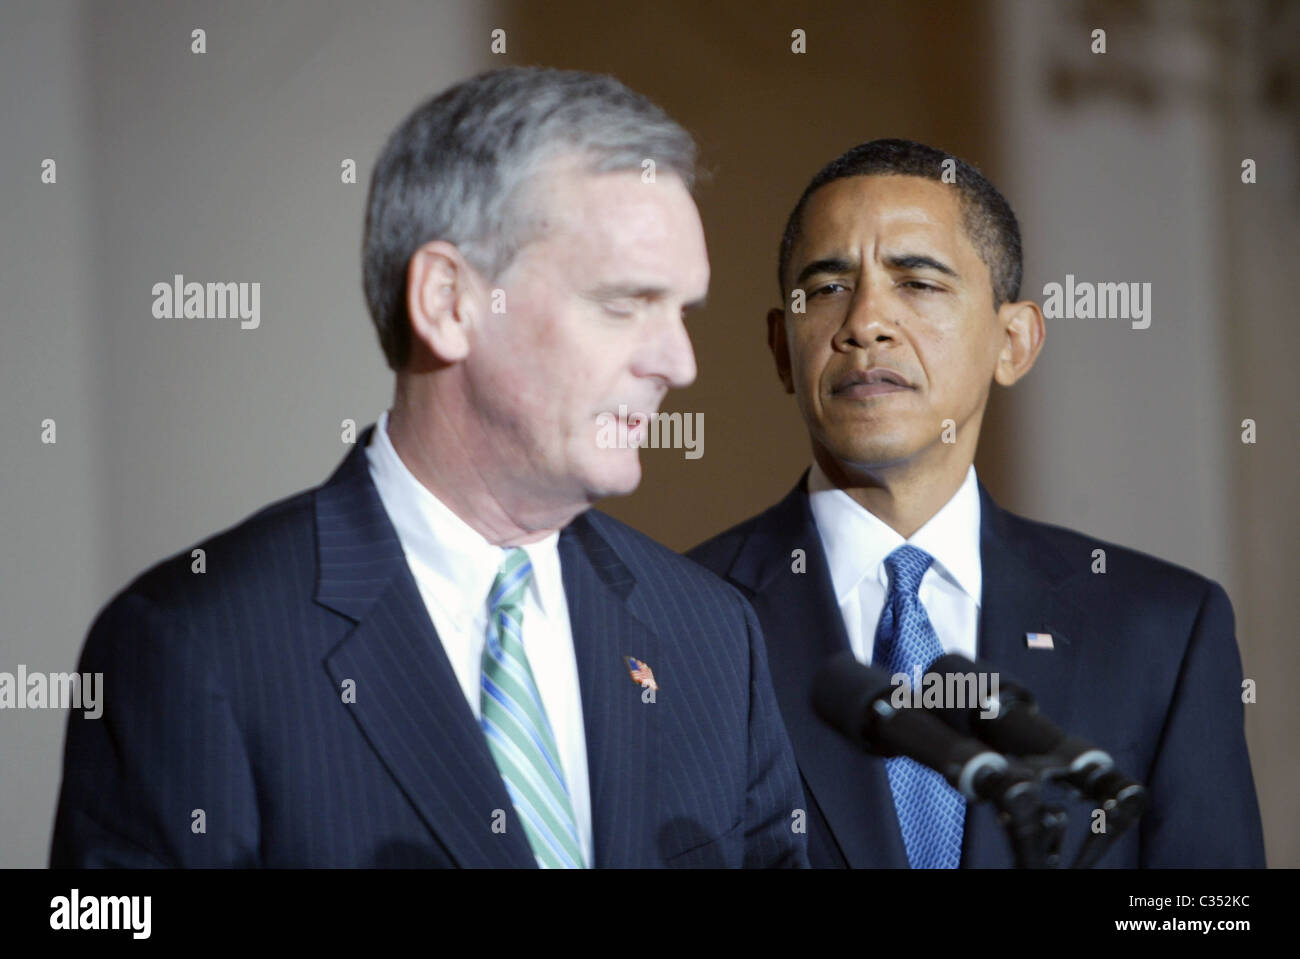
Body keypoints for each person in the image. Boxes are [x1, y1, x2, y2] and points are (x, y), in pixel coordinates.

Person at [51, 67, 807, 869]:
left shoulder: (714, 637)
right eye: (624, 304)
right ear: (449, 300)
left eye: (682, 312)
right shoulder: (193, 647)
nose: (678, 363)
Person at [689, 138, 1265, 868]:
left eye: (918, 283)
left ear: (1014, 341)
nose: (865, 322)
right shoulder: (680, 624)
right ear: (781, 349)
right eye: (828, 287)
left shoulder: (1163, 629)